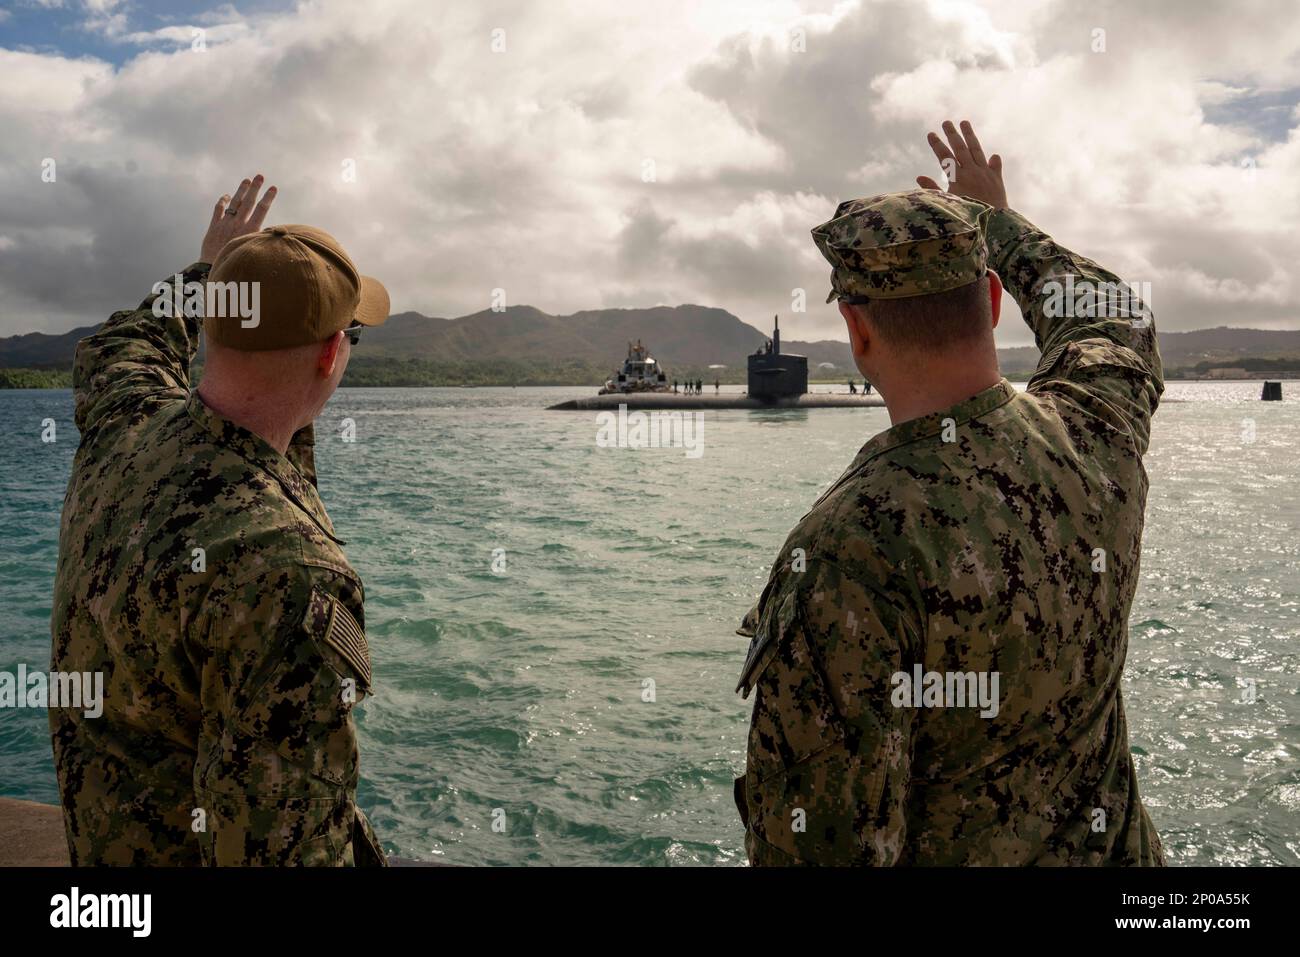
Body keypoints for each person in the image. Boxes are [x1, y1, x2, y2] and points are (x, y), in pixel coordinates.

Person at [734, 121, 1165, 866]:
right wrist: (995, 220)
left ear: (856, 331)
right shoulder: (1096, 433)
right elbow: (1114, 314)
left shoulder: (849, 552)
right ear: (993, 299)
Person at [49, 174, 390, 866]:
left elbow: (128, 342)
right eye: (350, 333)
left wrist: (210, 272)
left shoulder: (125, 425)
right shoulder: (286, 569)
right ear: (331, 353)